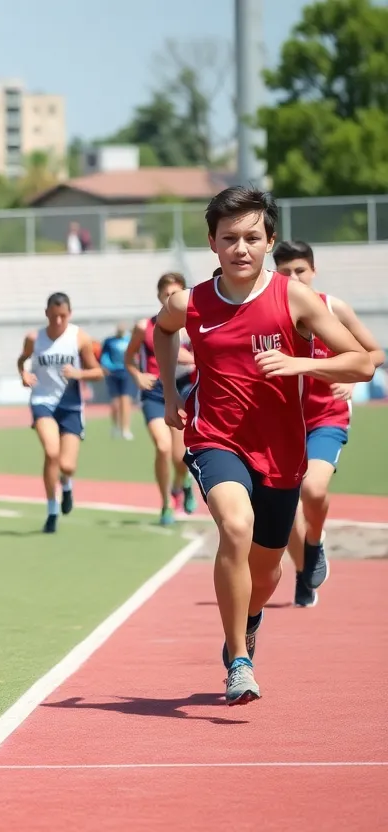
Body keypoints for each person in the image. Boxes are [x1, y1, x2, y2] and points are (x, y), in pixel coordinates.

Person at [154, 187, 374, 706]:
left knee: (268, 569)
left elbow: (363, 361)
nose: (241, 248)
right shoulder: (190, 303)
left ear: (269, 241)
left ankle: (249, 622)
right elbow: (162, 332)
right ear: (212, 243)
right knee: (236, 526)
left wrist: (305, 364)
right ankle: (238, 659)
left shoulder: (293, 298)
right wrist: (169, 392)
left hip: (281, 451)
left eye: (252, 237)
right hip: (216, 438)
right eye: (229, 238)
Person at [273, 240, 385, 607]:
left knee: (314, 490)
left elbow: (374, 352)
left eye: (300, 270)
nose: (294, 277)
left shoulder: (332, 308)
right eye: (286, 271)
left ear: (313, 271)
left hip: (326, 417)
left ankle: (315, 543)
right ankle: (304, 574)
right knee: (286, 510)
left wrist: (353, 379)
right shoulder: (270, 311)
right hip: (279, 423)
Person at [16, 292, 104, 534]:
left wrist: (79, 374)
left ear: (70, 314)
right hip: (42, 401)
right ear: (46, 314)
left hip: (71, 405)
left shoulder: (79, 338)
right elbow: (22, 360)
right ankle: (52, 509)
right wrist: (23, 373)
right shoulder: (34, 338)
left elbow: (98, 372)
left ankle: (66, 485)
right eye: (53, 316)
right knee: (51, 452)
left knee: (67, 465)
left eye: (62, 316)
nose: (57, 321)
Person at [124, 273, 199, 526]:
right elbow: (128, 358)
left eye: (175, 294)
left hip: (182, 390)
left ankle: (183, 483)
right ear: (158, 296)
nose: (170, 299)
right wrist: (137, 375)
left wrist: (190, 360)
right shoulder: (145, 327)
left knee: (180, 456)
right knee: (162, 446)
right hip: (154, 391)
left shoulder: (192, 326)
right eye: (166, 295)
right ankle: (166, 503)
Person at [98, 323, 135, 440]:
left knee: (125, 401)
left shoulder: (130, 340)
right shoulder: (109, 341)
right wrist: (105, 367)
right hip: (112, 373)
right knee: (115, 403)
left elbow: (135, 354)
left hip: (126, 372)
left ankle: (126, 428)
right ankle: (115, 426)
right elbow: (104, 356)